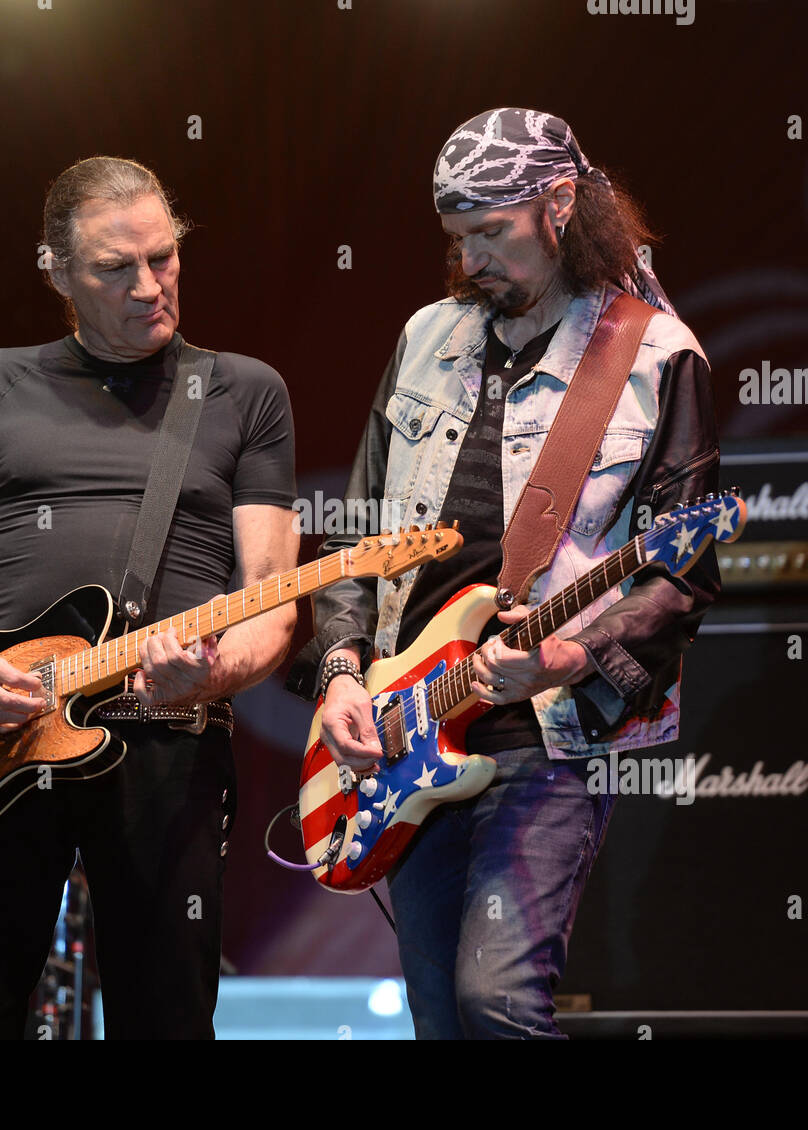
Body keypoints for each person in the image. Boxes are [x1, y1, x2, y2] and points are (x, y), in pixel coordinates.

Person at [289, 109, 721, 1039]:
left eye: (491, 232)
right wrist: (340, 674)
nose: (470, 258)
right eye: (456, 237)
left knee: (498, 1004)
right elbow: (356, 538)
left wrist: (567, 657)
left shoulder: (654, 355)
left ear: (561, 205)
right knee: (441, 1017)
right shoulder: (425, 336)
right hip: (410, 720)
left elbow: (682, 578)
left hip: (548, 734)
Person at [0, 156, 299, 1039]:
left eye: (164, 258)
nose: (150, 287)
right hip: (1, 737)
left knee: (167, 1021)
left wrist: (214, 676)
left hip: (166, 735)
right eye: (115, 268)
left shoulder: (245, 391)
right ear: (57, 273)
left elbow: (273, 601)